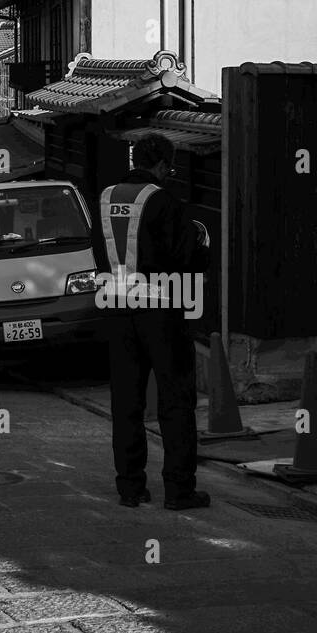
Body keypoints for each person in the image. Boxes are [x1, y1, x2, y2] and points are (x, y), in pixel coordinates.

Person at [96, 133, 211, 510]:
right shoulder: (163, 201)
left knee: (126, 400)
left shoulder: (106, 197)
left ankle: (130, 487)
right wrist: (200, 248)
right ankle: (179, 491)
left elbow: (100, 253)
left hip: (116, 308)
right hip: (160, 309)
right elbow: (183, 257)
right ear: (161, 164)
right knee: (175, 401)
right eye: (170, 167)